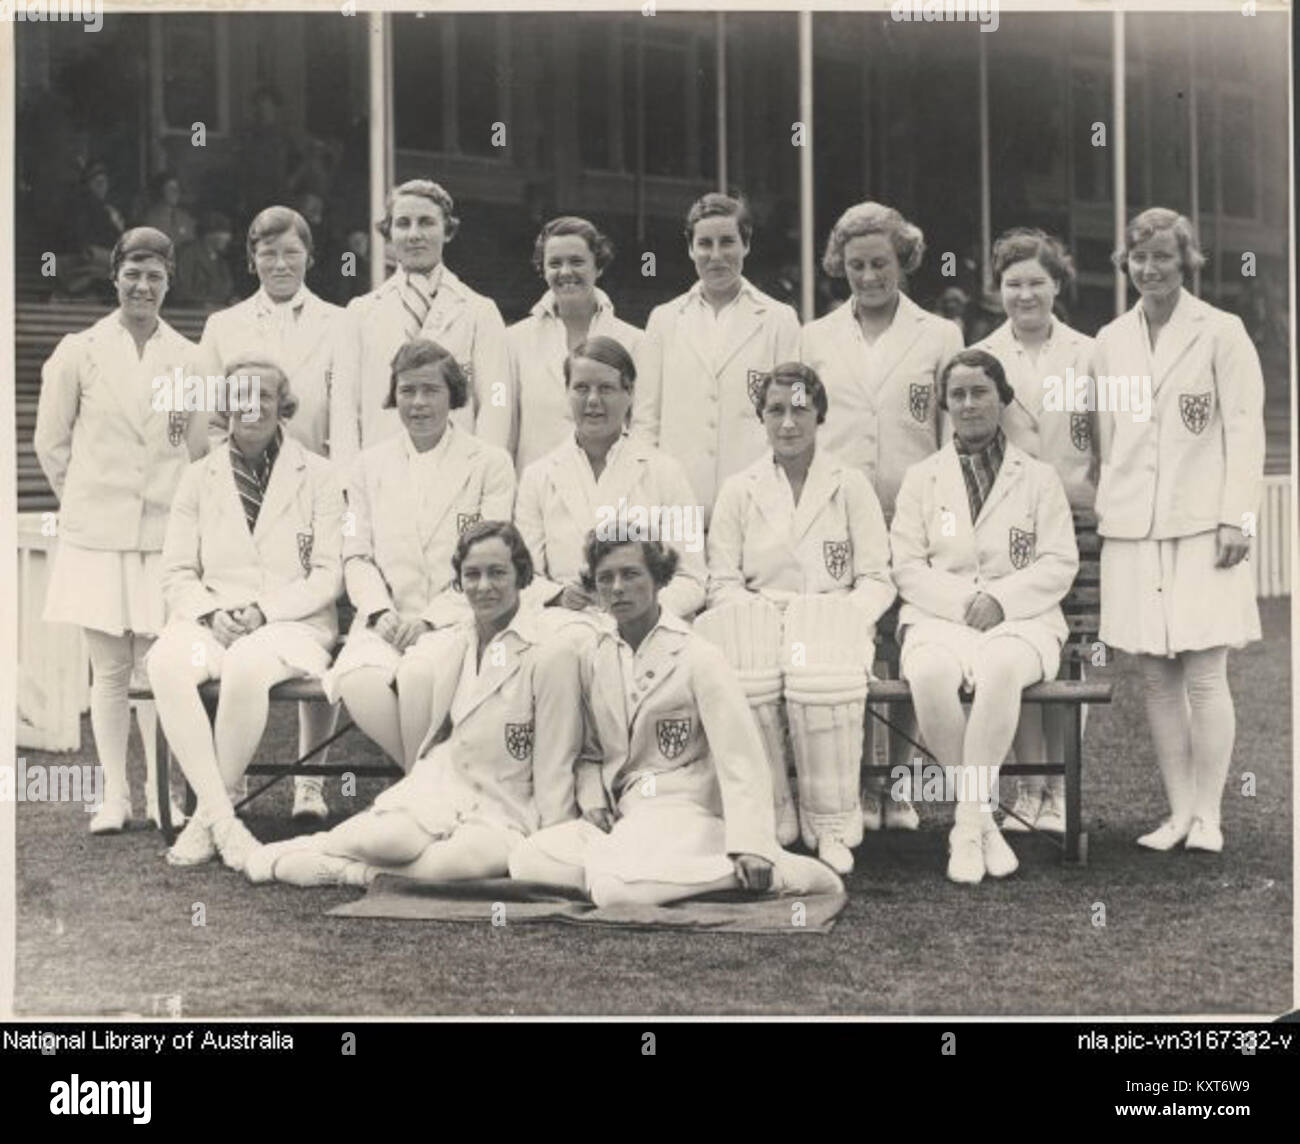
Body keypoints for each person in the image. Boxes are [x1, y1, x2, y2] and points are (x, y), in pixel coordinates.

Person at [507, 536, 845, 907]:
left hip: (686, 809)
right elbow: (590, 751)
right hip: (626, 813)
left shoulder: (699, 656)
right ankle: (635, 867)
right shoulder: (595, 655)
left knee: (612, 891)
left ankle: (774, 872)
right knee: (527, 860)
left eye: (631, 574)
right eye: (605, 578)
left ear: (660, 580)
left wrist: (752, 845)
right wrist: (590, 800)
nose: (617, 588)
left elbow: (741, 758)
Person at [244, 521, 584, 888]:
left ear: (523, 576)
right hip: (444, 784)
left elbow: (556, 758)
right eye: (472, 575)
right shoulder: (453, 642)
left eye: (497, 573)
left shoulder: (552, 653)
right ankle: (317, 845)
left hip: (509, 806)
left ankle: (350, 873)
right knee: (386, 840)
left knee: (460, 862)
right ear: (459, 583)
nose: (484, 586)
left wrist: (553, 842)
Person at [1095, 208, 1264, 854]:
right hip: (1135, 528)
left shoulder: (1221, 331)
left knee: (1203, 672)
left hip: (1203, 525)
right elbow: (1111, 438)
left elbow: (1245, 430)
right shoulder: (1111, 339)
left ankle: (1210, 816)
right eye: (1139, 257)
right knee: (1157, 678)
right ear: (1125, 263)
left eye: (1163, 256)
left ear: (1185, 260)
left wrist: (1236, 518)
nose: (1150, 268)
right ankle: (1177, 813)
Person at [798, 201, 964, 829]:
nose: (868, 276)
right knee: (853, 646)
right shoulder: (815, 337)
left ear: (905, 262)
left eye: (881, 263)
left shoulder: (941, 334)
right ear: (841, 265)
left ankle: (899, 785)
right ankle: (856, 788)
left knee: (912, 640)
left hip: (914, 513)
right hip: (839, 515)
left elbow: (950, 432)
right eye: (856, 264)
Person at [35, 227, 206, 834]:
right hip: (96, 537)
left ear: (168, 282)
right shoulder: (77, 351)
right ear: (115, 277)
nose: (142, 286)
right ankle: (115, 794)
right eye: (132, 273)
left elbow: (195, 447)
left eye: (154, 276)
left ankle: (162, 795)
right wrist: (87, 504)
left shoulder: (189, 358)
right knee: (108, 669)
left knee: (155, 668)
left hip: (163, 536)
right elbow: (50, 444)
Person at [195, 204, 359, 821]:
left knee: (316, 622)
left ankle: (310, 783)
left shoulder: (341, 323)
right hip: (245, 494)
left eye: (291, 252)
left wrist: (337, 491)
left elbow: (346, 419)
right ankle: (229, 786)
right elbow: (213, 419)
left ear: (309, 257)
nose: (280, 263)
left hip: (314, 489)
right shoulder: (224, 324)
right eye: (268, 253)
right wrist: (232, 485)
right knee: (240, 635)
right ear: (251, 259)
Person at [145, 361, 344, 869]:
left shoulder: (319, 475)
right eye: (240, 397)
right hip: (213, 620)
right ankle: (223, 820)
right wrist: (212, 615)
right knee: (165, 662)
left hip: (292, 625)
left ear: (284, 406)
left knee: (247, 665)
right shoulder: (198, 476)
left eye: (264, 396)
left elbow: (327, 575)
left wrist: (264, 611)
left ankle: (203, 821)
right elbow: (176, 573)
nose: (251, 407)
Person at [890, 349, 1078, 884]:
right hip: (939, 618)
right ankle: (980, 825)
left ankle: (965, 826)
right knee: (927, 674)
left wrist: (1002, 601)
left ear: (1003, 399)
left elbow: (1060, 561)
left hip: (1022, 620)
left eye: (980, 392)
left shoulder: (1038, 478)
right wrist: (959, 603)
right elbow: (905, 564)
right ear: (945, 405)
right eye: (958, 394)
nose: (969, 404)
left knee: (1000, 670)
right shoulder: (921, 478)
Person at [703, 363, 895, 871]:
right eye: (776, 411)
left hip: (832, 622)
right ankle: (772, 814)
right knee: (748, 668)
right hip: (761, 622)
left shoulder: (849, 485)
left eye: (800, 410)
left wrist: (836, 618)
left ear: (820, 415)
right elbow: (720, 581)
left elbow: (877, 578)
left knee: (820, 680)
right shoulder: (738, 489)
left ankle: (831, 821)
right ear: (761, 418)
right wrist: (759, 617)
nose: (788, 423)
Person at [324, 339, 516, 769]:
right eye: (407, 390)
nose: (418, 403)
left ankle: (414, 790)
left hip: (458, 618)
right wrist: (379, 612)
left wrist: (431, 619)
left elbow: (491, 558)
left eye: (431, 390)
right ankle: (426, 778)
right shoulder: (367, 466)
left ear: (454, 395)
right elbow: (355, 554)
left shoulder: (490, 463)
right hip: (385, 621)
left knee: (418, 675)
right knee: (357, 680)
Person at [974, 227, 1099, 834]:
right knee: (1016, 647)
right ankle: (1024, 789)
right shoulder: (983, 354)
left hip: (1078, 522)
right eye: (1013, 283)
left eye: (1036, 282)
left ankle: (1058, 788)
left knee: (1070, 658)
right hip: (1011, 523)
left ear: (1057, 284)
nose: (1025, 294)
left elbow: (1110, 443)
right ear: (1000, 289)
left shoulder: (1091, 353)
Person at [515, 336, 705, 627]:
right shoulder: (537, 476)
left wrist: (643, 610)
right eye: (581, 388)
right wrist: (559, 596)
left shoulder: (667, 472)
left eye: (606, 388)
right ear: (566, 392)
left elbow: (691, 577)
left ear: (629, 394)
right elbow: (524, 577)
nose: (593, 400)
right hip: (563, 629)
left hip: (648, 630)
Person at [631, 192, 800, 518]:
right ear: (690, 248)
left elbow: (791, 418)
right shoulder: (664, 320)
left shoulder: (779, 319)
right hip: (677, 504)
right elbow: (645, 421)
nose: (716, 255)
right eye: (705, 244)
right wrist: (651, 494)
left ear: (746, 245)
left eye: (727, 242)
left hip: (755, 503)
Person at [332, 178, 512, 467]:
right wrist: (347, 482)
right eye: (403, 224)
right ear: (389, 233)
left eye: (426, 222)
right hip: (380, 478)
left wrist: (484, 472)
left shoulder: (480, 311)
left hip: (457, 473)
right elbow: (343, 406)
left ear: (448, 230)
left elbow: (497, 400)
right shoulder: (360, 313)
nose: (414, 234)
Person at [506, 217, 643, 472]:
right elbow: (504, 423)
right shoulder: (514, 341)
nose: (566, 272)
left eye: (577, 262)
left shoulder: (635, 341)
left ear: (598, 267)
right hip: (536, 495)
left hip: (611, 491)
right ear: (543, 269)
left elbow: (641, 426)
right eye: (555, 263)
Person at [59, 162, 126, 298]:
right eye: (97, 182)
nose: (101, 187)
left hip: (100, 264)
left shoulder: (107, 210)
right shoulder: (81, 209)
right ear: (88, 185)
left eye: (104, 182)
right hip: (85, 263)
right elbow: (82, 245)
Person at [172, 211, 236, 308]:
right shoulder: (187, 255)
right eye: (224, 233)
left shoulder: (220, 260)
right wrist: (204, 305)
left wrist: (232, 299)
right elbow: (180, 291)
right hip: (189, 316)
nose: (228, 238)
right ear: (209, 235)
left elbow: (227, 290)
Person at [141, 173, 196, 247]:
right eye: (171, 189)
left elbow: (191, 243)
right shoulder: (151, 218)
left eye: (177, 189)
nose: (176, 192)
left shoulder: (184, 217)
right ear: (161, 191)